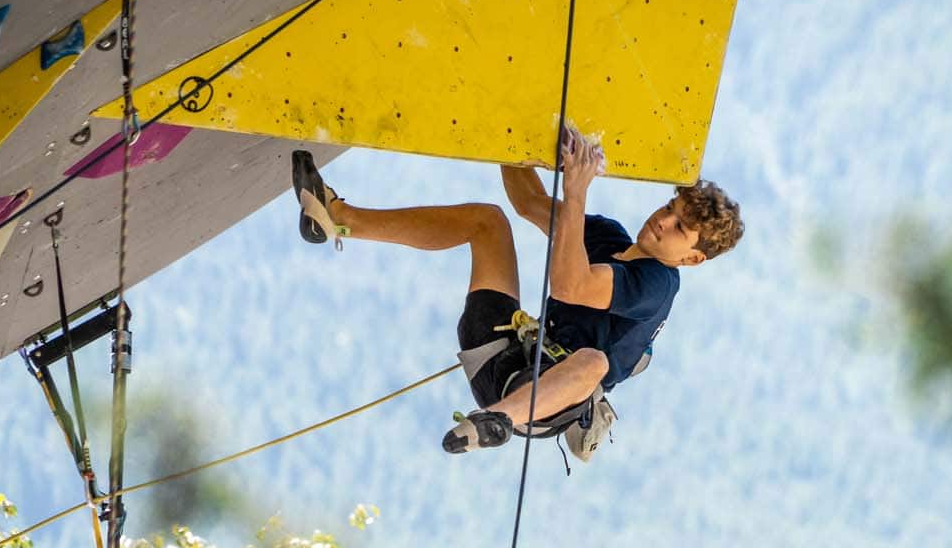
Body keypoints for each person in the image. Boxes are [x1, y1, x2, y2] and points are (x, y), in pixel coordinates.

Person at [290, 128, 743, 454]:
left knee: (594, 363)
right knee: (487, 222)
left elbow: (571, 286)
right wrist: (511, 128)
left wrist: (578, 189)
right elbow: (528, 202)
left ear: (692, 258)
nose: (663, 221)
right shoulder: (608, 235)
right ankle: (340, 217)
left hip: (538, 402)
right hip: (501, 353)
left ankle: (496, 421)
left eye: (680, 228)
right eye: (669, 207)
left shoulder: (658, 284)